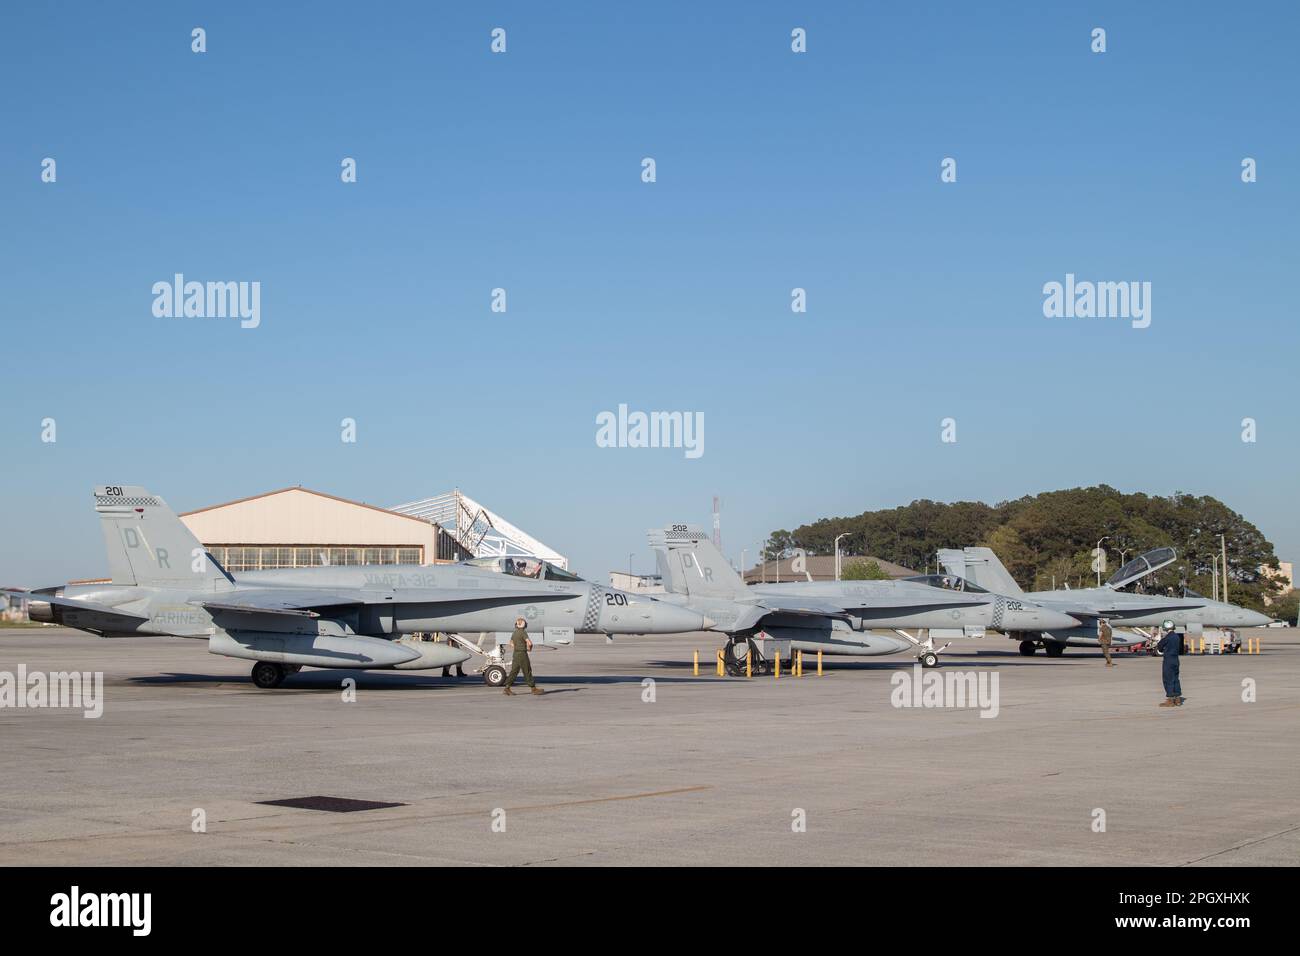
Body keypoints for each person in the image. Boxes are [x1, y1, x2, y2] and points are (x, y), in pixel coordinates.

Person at [503, 616, 543, 696]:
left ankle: (507, 688)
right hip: (522, 654)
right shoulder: (523, 632)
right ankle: (533, 689)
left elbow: (511, 643)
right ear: (524, 625)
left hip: (516, 654)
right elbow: (529, 643)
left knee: (514, 671)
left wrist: (517, 647)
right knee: (527, 670)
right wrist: (529, 649)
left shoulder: (515, 632)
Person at [1155, 620, 1184, 707]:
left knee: (1168, 679)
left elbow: (1159, 647)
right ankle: (1178, 698)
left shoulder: (1167, 637)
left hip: (1168, 660)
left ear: (1165, 628)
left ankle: (1170, 699)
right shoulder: (1177, 637)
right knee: (1176, 678)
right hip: (1176, 660)